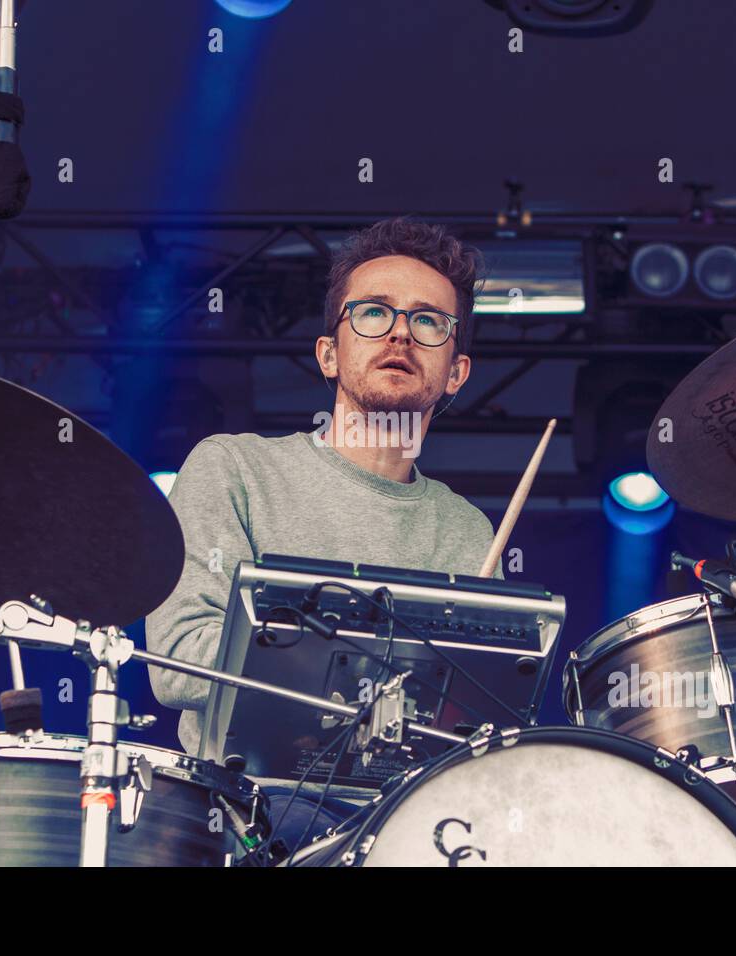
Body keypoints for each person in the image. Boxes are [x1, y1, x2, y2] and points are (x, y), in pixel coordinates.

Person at [145, 216, 503, 855]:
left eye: (428, 321)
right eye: (372, 312)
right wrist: (376, 673)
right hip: (249, 820)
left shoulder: (469, 533)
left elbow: (480, 724)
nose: (399, 331)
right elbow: (176, 658)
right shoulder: (234, 469)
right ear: (329, 353)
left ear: (456, 372)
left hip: (413, 831)